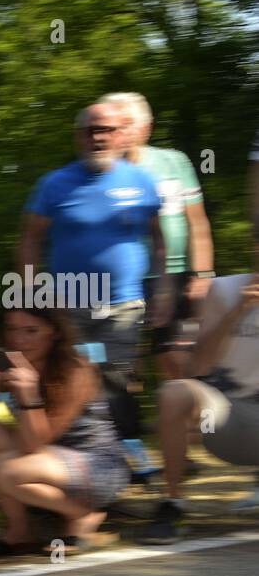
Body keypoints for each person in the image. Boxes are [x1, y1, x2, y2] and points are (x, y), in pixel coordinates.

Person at [17, 102, 167, 459]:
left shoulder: (141, 181)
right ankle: (71, 457)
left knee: (119, 379)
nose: (98, 137)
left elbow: (159, 239)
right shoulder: (55, 184)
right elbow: (30, 238)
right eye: (91, 131)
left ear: (121, 136)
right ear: (78, 137)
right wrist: (30, 293)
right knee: (71, 379)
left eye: (107, 130)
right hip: (69, 305)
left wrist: (164, 289)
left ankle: (127, 458)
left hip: (124, 305)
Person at [0, 305, 129, 556]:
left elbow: (33, 445)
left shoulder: (77, 369)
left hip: (98, 465)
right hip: (48, 459)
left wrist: (29, 396)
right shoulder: (9, 365)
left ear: (55, 332)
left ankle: (82, 515)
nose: (19, 339)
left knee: (6, 472)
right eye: (12, 330)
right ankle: (20, 531)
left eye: (31, 331)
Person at [101, 92, 215, 383]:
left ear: (146, 128)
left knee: (177, 362)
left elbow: (198, 224)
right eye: (114, 125)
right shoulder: (99, 172)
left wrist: (202, 276)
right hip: (123, 281)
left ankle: (189, 425)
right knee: (122, 368)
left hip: (176, 276)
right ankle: (128, 427)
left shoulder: (174, 162)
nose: (121, 132)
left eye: (128, 124)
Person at [141, 274, 259, 543]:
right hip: (219, 422)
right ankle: (173, 505)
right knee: (175, 392)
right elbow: (198, 368)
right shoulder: (223, 290)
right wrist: (237, 312)